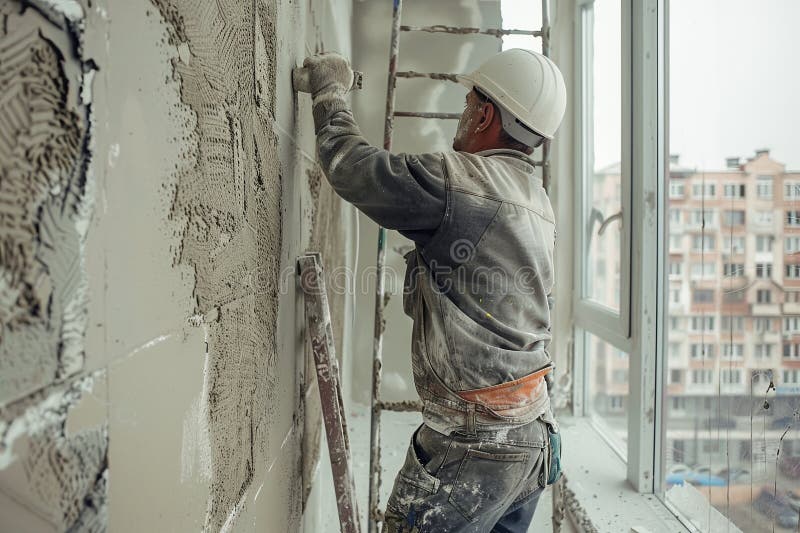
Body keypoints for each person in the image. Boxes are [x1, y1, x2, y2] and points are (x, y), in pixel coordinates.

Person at [302, 48, 567, 532]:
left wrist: (330, 91)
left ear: (485, 114)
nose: (463, 115)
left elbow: (351, 167)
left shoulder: (461, 182)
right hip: (533, 441)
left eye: (469, 103)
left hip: (476, 446)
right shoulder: (539, 204)